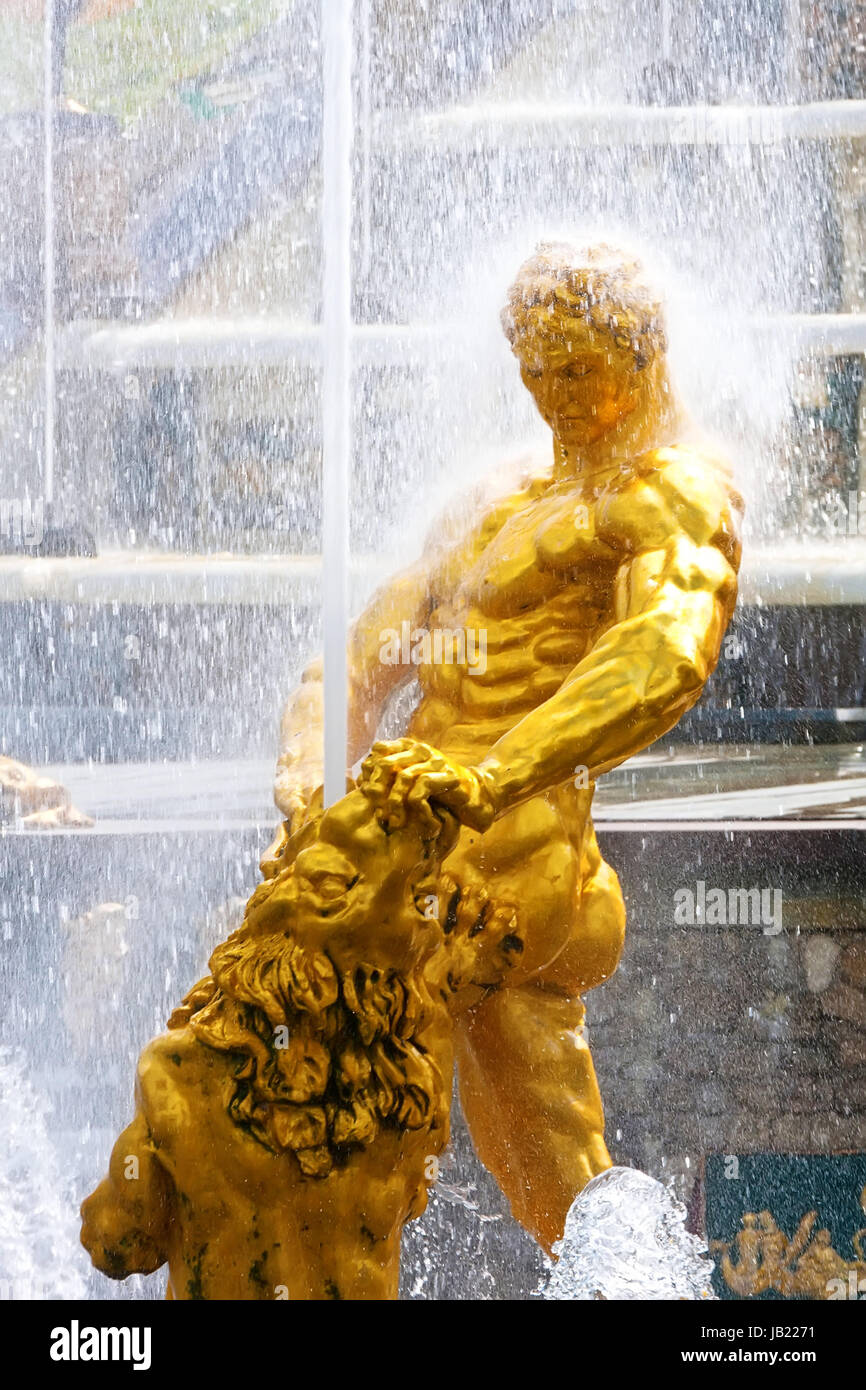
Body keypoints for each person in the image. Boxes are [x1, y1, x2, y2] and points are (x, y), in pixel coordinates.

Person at [272, 240, 744, 1252]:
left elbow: (661, 654)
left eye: (575, 370)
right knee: (553, 1170)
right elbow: (357, 659)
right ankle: (625, 1277)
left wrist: (487, 778)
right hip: (430, 845)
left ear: (642, 352)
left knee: (336, 1098)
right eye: (534, 371)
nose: (550, 396)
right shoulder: (496, 495)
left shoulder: (671, 491)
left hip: (511, 864)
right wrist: (309, 782)